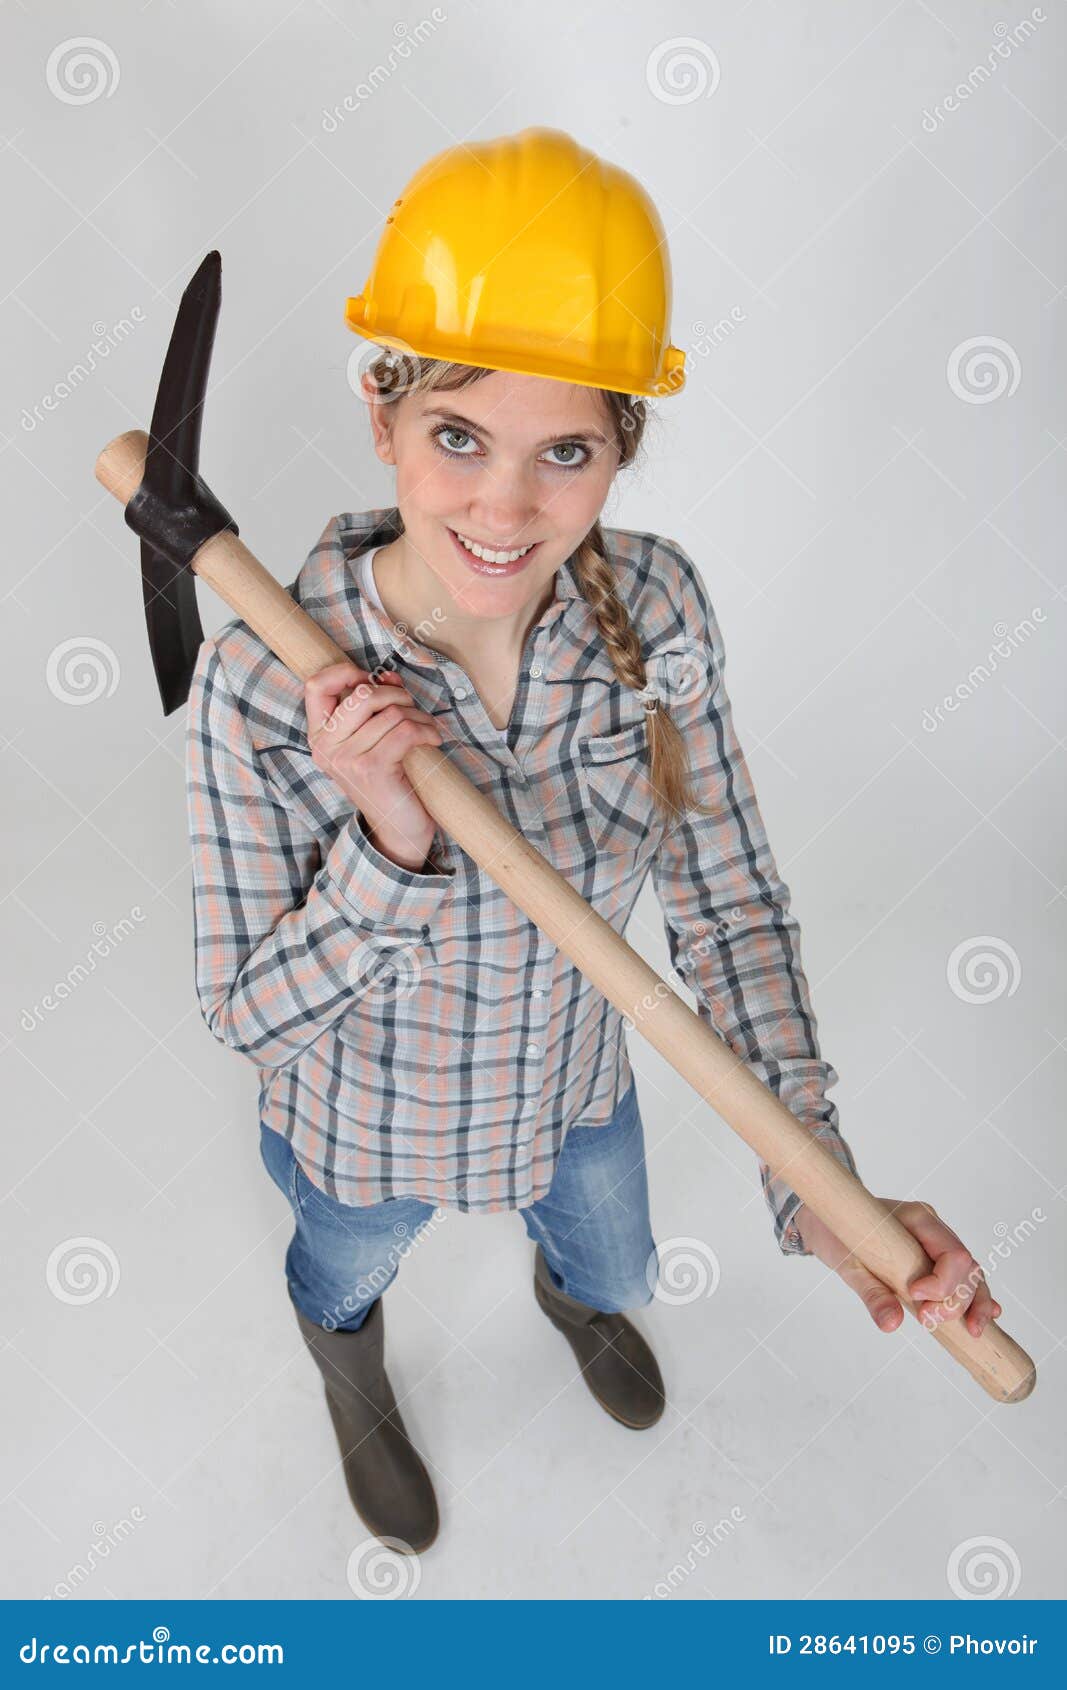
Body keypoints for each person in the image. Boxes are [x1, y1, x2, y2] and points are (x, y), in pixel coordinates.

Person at [184, 128, 1001, 1560]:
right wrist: (388, 838)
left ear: (624, 441)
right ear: (382, 417)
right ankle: (351, 1369)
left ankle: (574, 1294)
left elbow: (734, 906)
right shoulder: (261, 676)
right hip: (367, 1129)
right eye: (459, 438)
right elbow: (246, 1011)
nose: (505, 508)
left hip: (572, 1089)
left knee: (621, 1258)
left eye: (566, 450)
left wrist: (831, 1199)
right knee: (344, 1267)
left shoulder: (658, 614)